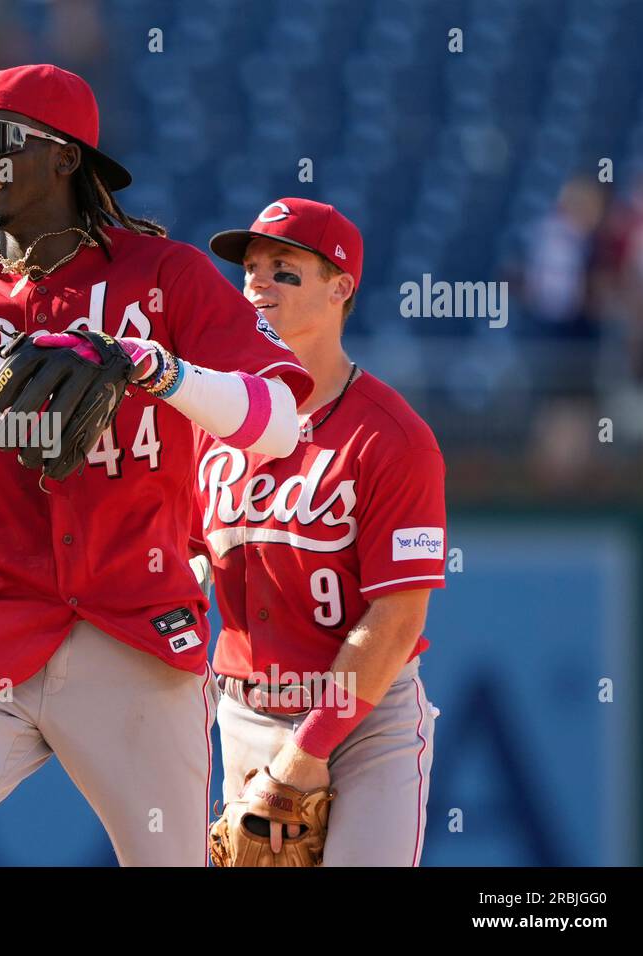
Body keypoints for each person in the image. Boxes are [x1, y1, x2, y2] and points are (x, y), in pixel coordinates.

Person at [0, 64, 312, 866]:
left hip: (137, 631)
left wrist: (154, 368)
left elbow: (278, 423)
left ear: (65, 157)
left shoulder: (164, 276)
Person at [197, 198, 446, 865]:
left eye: (285, 270)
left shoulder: (393, 437)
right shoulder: (210, 421)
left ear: (341, 288)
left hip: (367, 717)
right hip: (247, 709)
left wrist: (308, 752)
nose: (257, 284)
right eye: (250, 268)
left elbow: (398, 614)